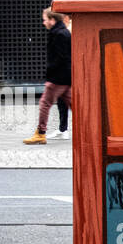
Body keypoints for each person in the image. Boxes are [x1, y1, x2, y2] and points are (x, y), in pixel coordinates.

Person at [25, 9, 72, 144]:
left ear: (53, 20)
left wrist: (51, 73)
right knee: (76, 106)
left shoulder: (59, 34)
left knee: (44, 103)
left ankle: (40, 133)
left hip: (58, 78)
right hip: (65, 77)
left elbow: (60, 58)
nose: (43, 22)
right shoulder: (62, 33)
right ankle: (92, 129)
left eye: (45, 19)